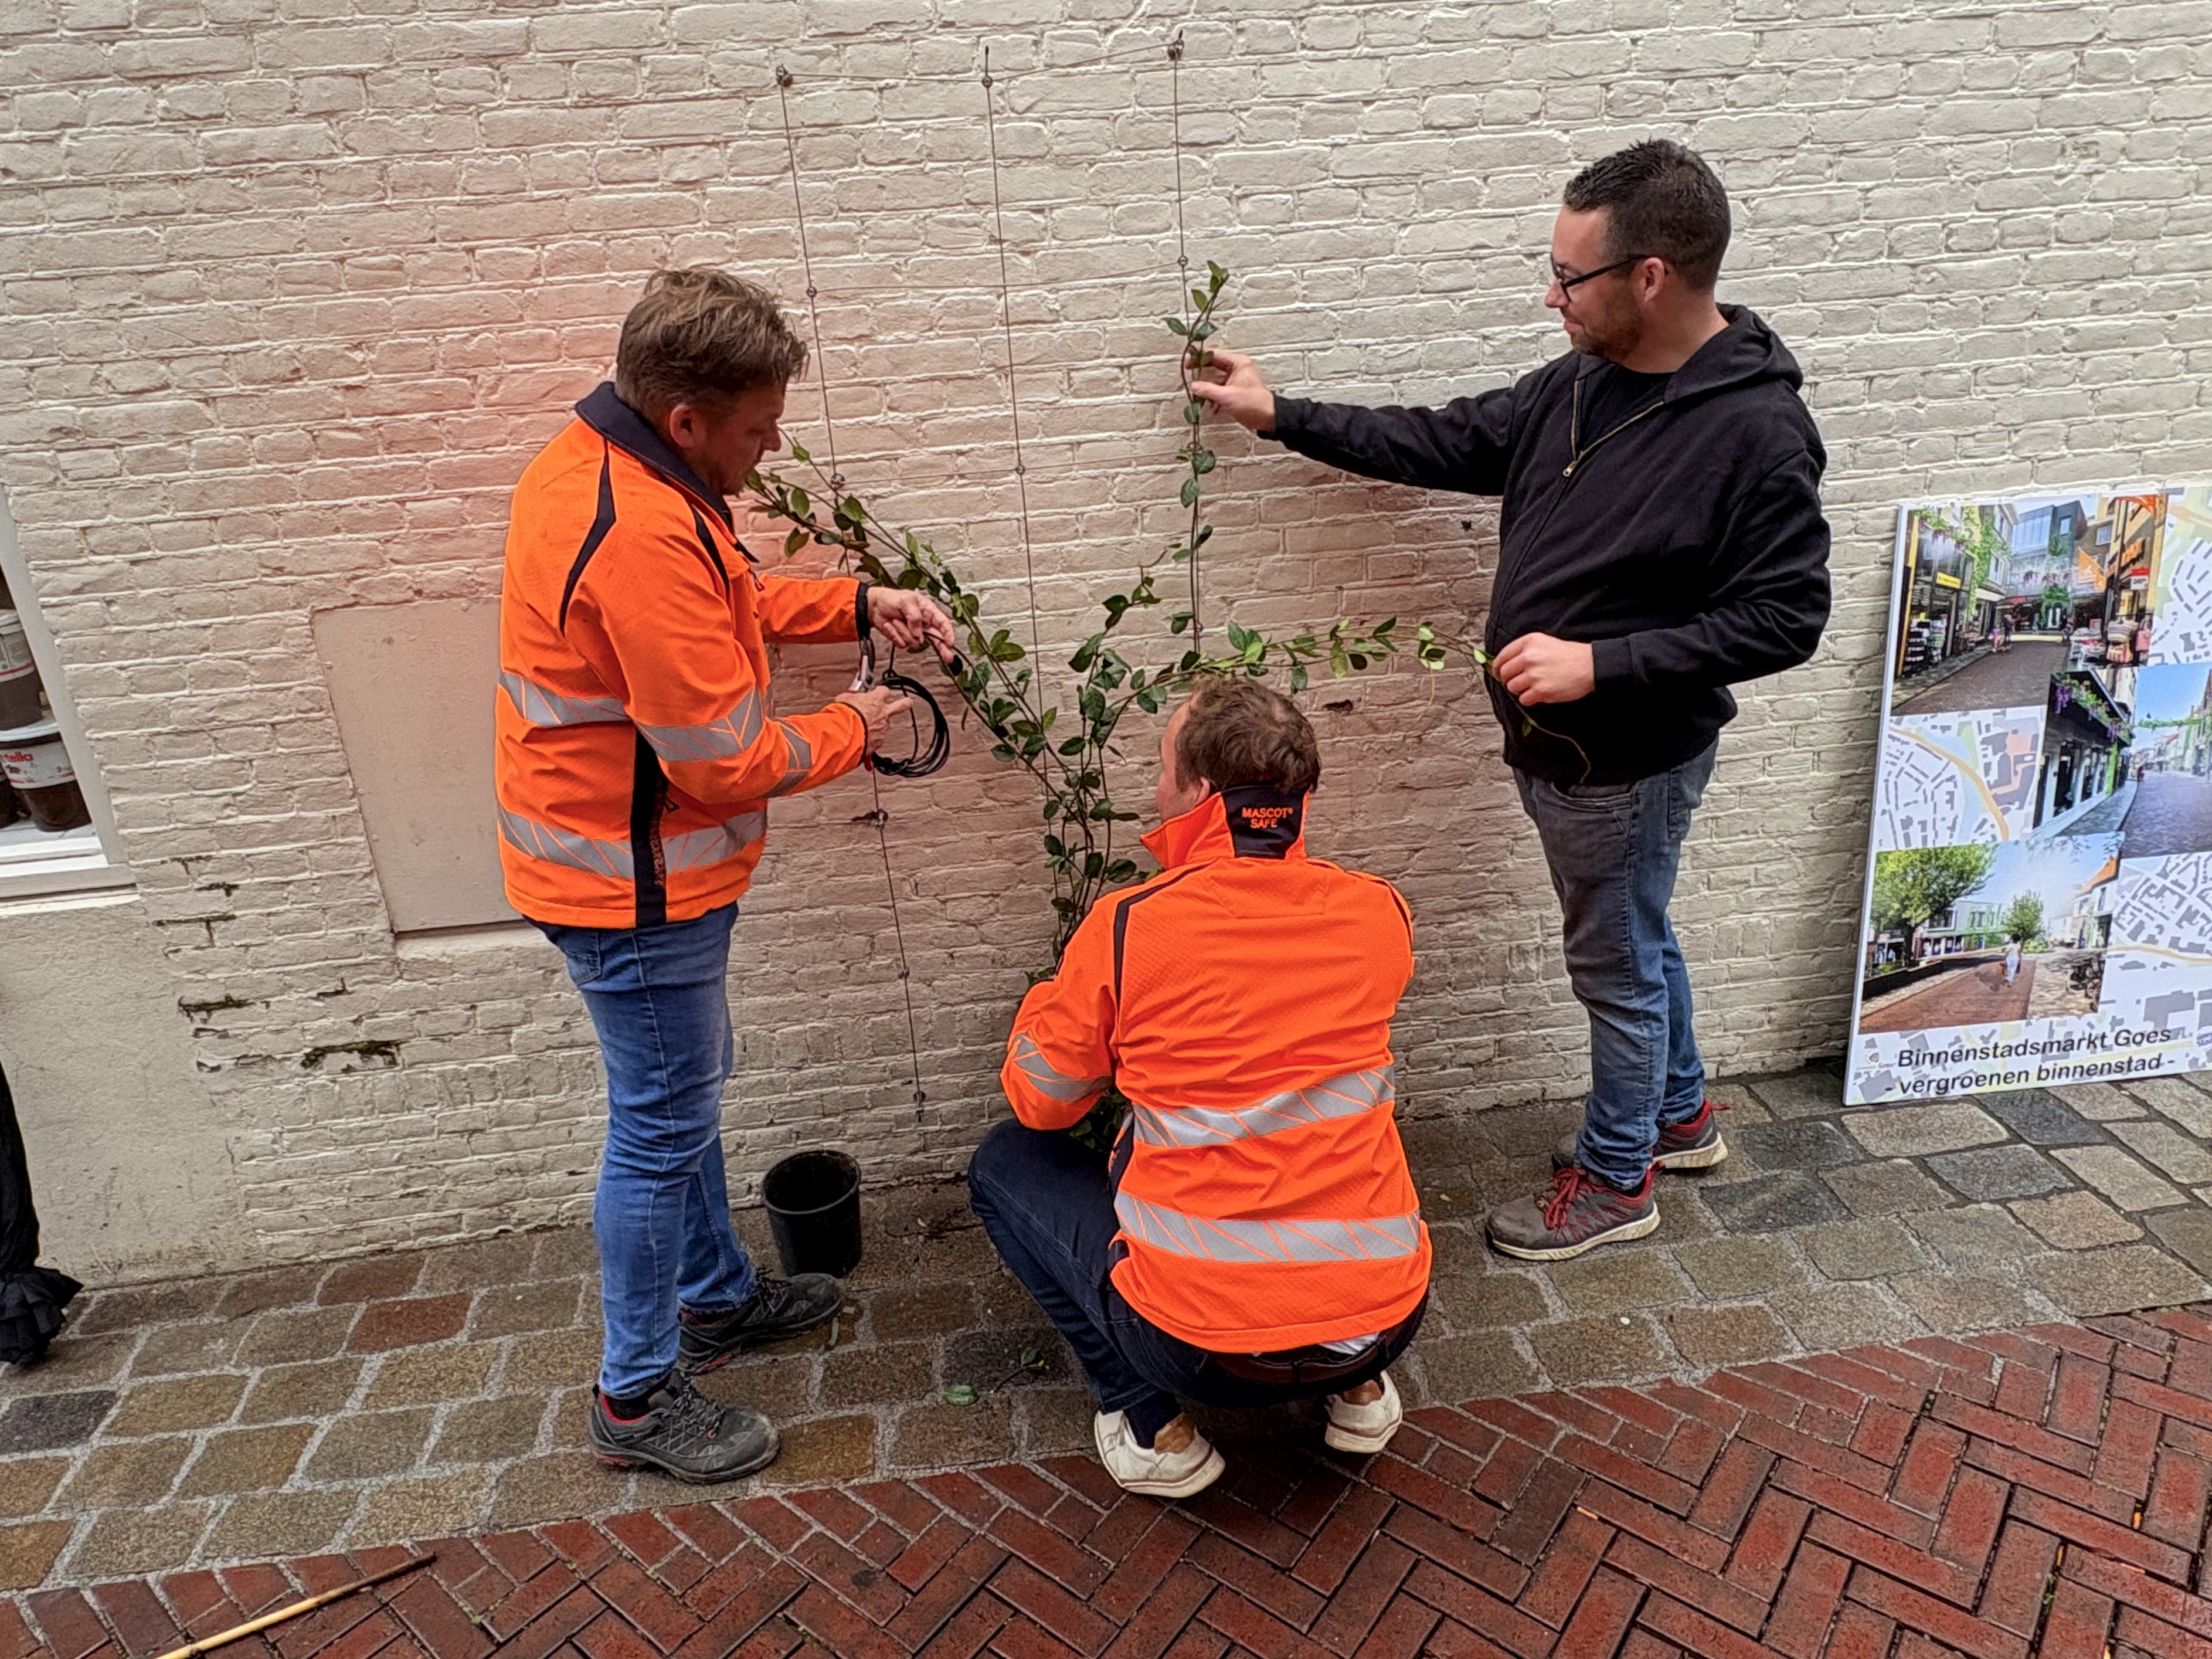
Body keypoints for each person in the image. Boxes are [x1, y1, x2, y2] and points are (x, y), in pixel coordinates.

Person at [1192, 139, 1832, 1261]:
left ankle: (1618, 1177)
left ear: (1648, 276)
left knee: (1615, 966)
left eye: (1568, 275)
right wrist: (1278, 411)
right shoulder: (1579, 384)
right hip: (1567, 762)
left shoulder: (1755, 432)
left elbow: (1786, 618)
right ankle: (1676, 1118)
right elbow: (1445, 438)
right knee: (1637, 935)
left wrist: (1604, 664)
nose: (1550, 296)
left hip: (1620, 762)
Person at [497, 267, 955, 1481]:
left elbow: (726, 601)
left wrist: (856, 599)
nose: (773, 443)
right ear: (691, 417)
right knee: (658, 1129)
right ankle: (637, 1396)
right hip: (632, 887)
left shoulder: (617, 464)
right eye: (760, 425)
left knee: (682, 1095)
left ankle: (711, 1294)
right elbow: (724, 762)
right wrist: (866, 720)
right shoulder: (640, 527)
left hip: (629, 872)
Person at [967, 679, 1429, 1498]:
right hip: (1387, 1323)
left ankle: (1148, 1421)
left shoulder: (1130, 925)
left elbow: (1042, 1100)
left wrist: (1048, 1000)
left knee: (1004, 1162)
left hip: (1200, 1353)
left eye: (1161, 769)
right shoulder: (1379, 911)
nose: (1154, 789)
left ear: (1201, 794)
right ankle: (1354, 1386)